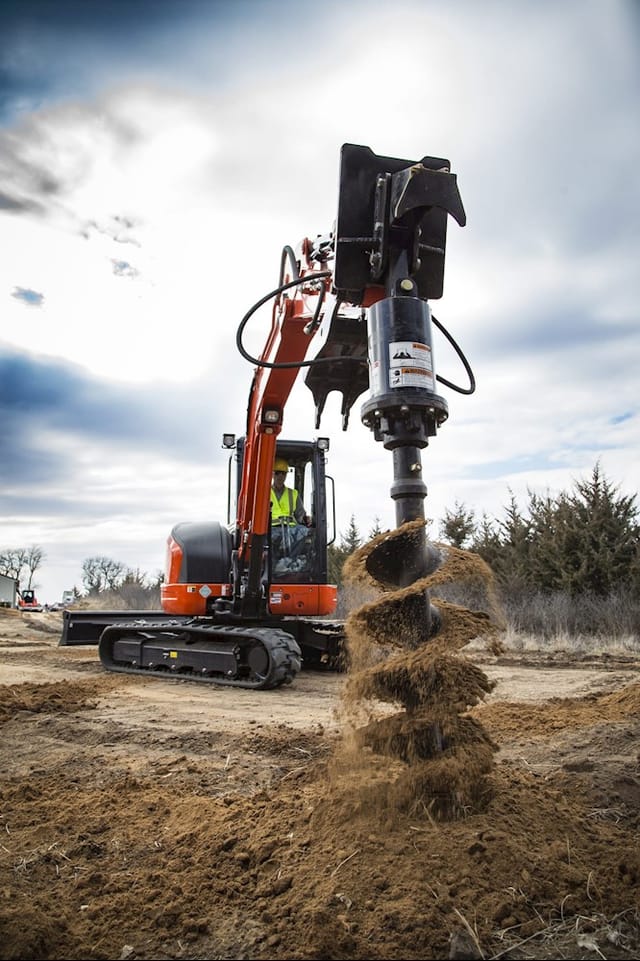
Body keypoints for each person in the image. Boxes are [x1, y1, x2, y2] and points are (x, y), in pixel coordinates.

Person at [270, 458, 312, 575]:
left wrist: (305, 519)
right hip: (271, 528)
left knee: (304, 531)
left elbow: (300, 514)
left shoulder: (292, 494)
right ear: (272, 474)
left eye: (283, 473)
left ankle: (287, 563)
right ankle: (272, 567)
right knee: (266, 539)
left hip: (290, 528)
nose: (280, 476)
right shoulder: (264, 492)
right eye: (277, 473)